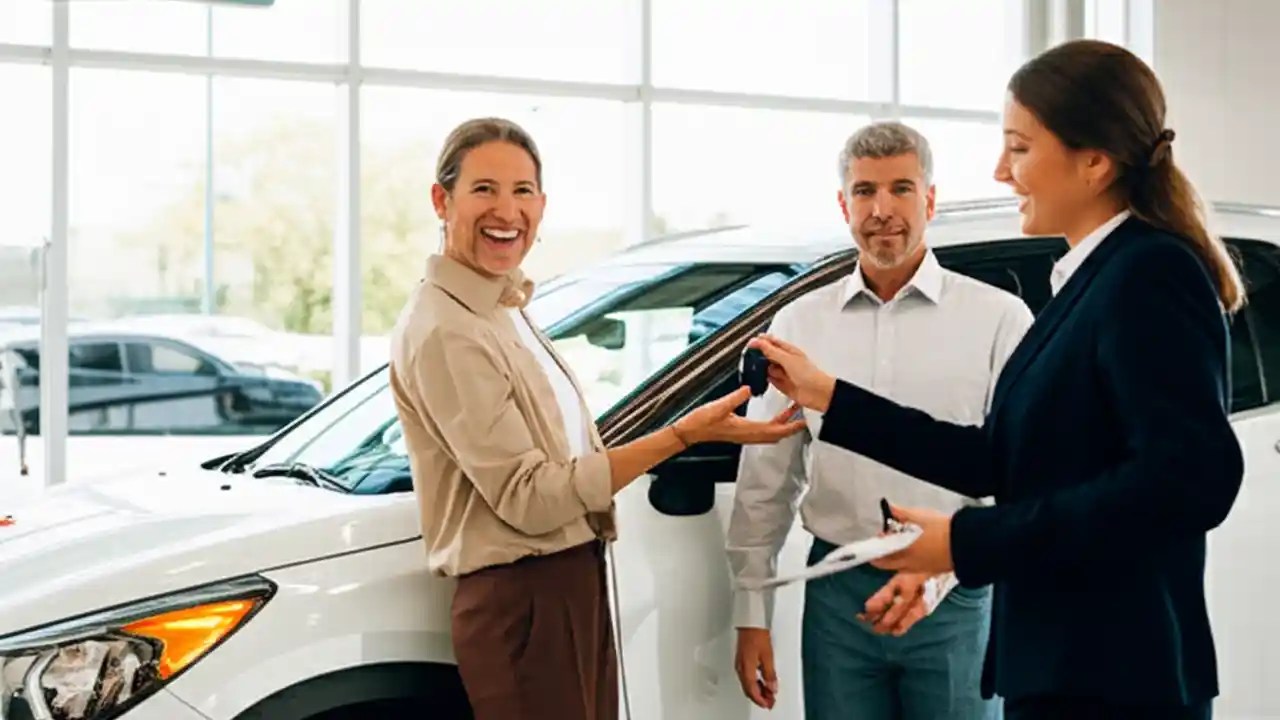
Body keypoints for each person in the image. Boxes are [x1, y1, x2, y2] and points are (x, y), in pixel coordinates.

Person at [749, 40, 1245, 720]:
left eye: (1018, 148)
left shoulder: (1148, 274)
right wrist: (830, 398)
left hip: (1115, 676)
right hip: (1067, 664)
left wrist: (964, 544)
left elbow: (1189, 481)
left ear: (1094, 162)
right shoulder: (1087, 280)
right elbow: (998, 457)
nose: (1000, 171)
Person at [387, 117, 805, 720]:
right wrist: (685, 435)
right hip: (525, 601)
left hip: (562, 589)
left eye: (522, 191)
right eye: (484, 189)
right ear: (441, 200)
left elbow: (566, 451)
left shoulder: (499, 306)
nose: (506, 210)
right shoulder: (449, 328)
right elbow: (530, 497)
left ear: (542, 204)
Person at [727, 121, 1033, 720]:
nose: (883, 209)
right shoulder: (798, 323)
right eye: (865, 191)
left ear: (931, 200)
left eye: (901, 188)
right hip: (838, 594)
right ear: (844, 204)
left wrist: (945, 572)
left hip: (954, 592)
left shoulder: (999, 320)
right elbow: (767, 477)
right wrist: (751, 614)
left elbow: (1018, 474)